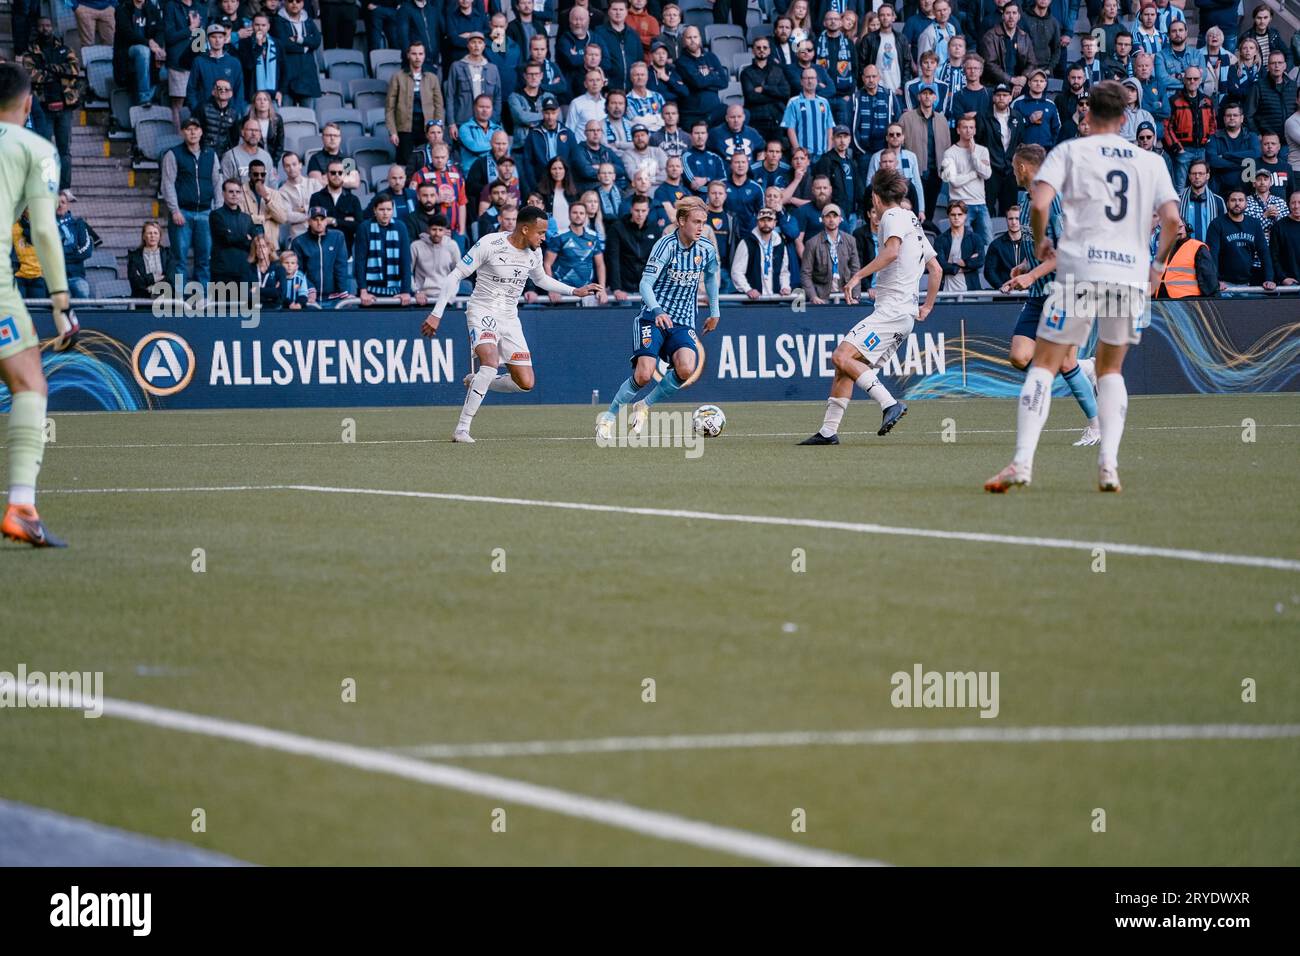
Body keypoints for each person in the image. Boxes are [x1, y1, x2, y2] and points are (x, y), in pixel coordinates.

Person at [985, 80, 1181, 495]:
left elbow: (1039, 204)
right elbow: (1172, 222)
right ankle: (1108, 465)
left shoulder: (1070, 152)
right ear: (1127, 117)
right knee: (1111, 370)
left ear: (1087, 115)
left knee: (1042, 365)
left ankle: (1022, 462)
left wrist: (1040, 241)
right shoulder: (1150, 162)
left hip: (1078, 271)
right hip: (1127, 272)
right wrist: (1158, 266)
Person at [421, 205, 602, 442]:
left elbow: (541, 279)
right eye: (540, 233)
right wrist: (437, 313)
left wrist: (574, 291)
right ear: (525, 229)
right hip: (482, 311)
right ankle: (462, 428)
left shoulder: (534, 253)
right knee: (490, 361)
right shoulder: (490, 244)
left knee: (525, 383)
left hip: (509, 317)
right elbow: (455, 275)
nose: (543, 238)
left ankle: (477, 380)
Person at [799, 169, 941, 446]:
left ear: (875, 198)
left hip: (892, 311)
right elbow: (935, 269)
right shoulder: (912, 220)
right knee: (847, 367)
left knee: (841, 356)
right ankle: (828, 432)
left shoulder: (890, 217)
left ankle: (890, 404)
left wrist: (857, 276)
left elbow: (891, 252)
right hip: (903, 314)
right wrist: (927, 306)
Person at [0, 63, 78, 545]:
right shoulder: (35, 148)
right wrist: (60, 300)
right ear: (28, 103)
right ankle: (21, 507)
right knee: (29, 383)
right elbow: (45, 230)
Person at [596, 196, 720, 440]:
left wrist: (715, 311)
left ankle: (644, 406)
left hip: (683, 321)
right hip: (653, 318)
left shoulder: (706, 249)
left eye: (703, 223)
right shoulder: (666, 245)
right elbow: (645, 284)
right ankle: (609, 417)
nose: (700, 227)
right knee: (644, 374)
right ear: (681, 221)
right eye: (696, 222)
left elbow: (713, 276)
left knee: (685, 368)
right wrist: (657, 310)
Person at [21, 18, 81, 197]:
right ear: (37, 28)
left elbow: (74, 69)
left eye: (47, 25)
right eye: (41, 26)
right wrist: (58, 72)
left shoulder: (64, 49)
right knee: (44, 149)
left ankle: (65, 188)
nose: (44, 29)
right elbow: (31, 75)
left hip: (65, 106)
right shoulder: (30, 53)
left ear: (53, 27)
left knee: (64, 151)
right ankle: (45, 186)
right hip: (42, 108)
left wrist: (49, 69)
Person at [161, 117, 222, 286]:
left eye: (196, 128)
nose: (193, 132)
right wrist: (175, 210)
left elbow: (217, 183)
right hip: (183, 213)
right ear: (182, 132)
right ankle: (179, 300)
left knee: (204, 260)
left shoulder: (211, 155)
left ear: (202, 132)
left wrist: (217, 211)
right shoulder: (173, 154)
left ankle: (201, 299)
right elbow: (167, 184)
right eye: (188, 129)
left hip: (206, 213)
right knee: (179, 259)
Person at [386, 41, 445, 167]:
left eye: (420, 54)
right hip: (405, 127)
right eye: (414, 54)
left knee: (427, 162)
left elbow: (439, 105)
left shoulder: (432, 78)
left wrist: (438, 128)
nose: (417, 57)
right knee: (406, 164)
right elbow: (390, 108)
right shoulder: (398, 77)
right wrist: (393, 132)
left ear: (424, 55)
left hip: (427, 127)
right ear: (408, 55)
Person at [940, 115, 993, 247]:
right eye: (965, 127)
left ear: (975, 130)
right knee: (962, 244)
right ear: (958, 130)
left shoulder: (982, 151)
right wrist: (975, 173)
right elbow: (954, 182)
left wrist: (974, 156)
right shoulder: (949, 153)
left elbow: (987, 174)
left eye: (971, 127)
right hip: (960, 204)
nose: (968, 131)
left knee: (988, 242)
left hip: (981, 204)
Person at [1207, 187, 1274, 289]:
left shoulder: (1254, 224)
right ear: (1227, 203)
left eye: (1241, 200)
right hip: (1223, 285)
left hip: (1248, 283)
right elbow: (1212, 254)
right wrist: (1214, 280)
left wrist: (1269, 279)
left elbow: (1264, 252)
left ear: (1246, 203)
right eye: (1233, 200)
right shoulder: (1217, 224)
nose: (1237, 203)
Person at [353, 196, 413, 305]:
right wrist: (363, 290)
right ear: (374, 210)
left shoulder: (400, 227)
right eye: (381, 209)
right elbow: (360, 262)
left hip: (396, 293)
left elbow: (405, 260)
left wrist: (405, 291)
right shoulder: (364, 227)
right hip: (371, 293)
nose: (385, 213)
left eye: (389, 210)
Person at [544, 203, 607, 301]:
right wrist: (552, 290)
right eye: (575, 212)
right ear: (569, 215)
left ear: (585, 215)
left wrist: (601, 289)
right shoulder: (559, 236)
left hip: (587, 293)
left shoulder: (593, 236)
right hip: (564, 293)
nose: (578, 215)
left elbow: (600, 265)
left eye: (581, 213)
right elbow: (547, 264)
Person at [291, 206, 353, 304]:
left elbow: (341, 266)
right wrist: (310, 288)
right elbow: (297, 270)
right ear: (309, 221)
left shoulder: (337, 237)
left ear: (326, 221)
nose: (319, 223)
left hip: (333, 298)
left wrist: (343, 291)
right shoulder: (299, 242)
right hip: (309, 298)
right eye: (315, 219)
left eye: (322, 219)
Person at [800, 202, 859, 304]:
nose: (832, 220)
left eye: (835, 216)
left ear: (840, 219)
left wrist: (856, 296)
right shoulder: (812, 243)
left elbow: (855, 270)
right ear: (822, 219)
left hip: (845, 296)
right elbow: (805, 273)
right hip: (821, 297)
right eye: (828, 216)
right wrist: (813, 296)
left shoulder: (850, 240)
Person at [605, 195, 661, 300]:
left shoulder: (654, 229)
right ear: (631, 209)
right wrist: (616, 288)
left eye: (643, 211)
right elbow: (613, 259)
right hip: (624, 288)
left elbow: (657, 260)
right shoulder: (617, 228)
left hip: (647, 287)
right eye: (637, 210)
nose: (640, 214)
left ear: (648, 211)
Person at [731, 206, 792, 299]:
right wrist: (748, 289)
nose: (766, 223)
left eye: (769, 220)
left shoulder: (780, 244)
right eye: (762, 220)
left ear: (775, 223)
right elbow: (737, 271)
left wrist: (785, 287)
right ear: (757, 222)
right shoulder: (747, 242)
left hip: (775, 298)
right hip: (753, 300)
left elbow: (784, 272)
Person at [113, 0, 165, 107]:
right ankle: (144, 96)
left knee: (166, 55)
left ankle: (155, 95)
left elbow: (160, 30)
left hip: (150, 47)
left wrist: (157, 46)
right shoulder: (122, 9)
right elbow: (127, 33)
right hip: (128, 50)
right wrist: (149, 43)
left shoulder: (152, 8)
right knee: (143, 51)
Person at [272, 0, 321, 107]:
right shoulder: (278, 21)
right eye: (290, 1)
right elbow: (283, 44)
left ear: (303, 3)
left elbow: (317, 41)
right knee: (287, 118)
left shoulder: (308, 20)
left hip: (307, 76)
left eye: (298, 1)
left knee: (308, 117)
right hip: (287, 75)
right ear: (285, 3)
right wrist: (305, 48)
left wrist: (300, 40)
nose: (294, 4)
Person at [1154, 219, 1217, 298]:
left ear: (1186, 228)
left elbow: (1208, 280)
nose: (1178, 231)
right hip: (1161, 301)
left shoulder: (1197, 247)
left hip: (1187, 301)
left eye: (1180, 227)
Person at [209, 178, 255, 284]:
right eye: (231, 191)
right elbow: (226, 239)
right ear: (223, 193)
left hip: (245, 271)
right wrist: (245, 237)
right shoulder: (216, 215)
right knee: (221, 301)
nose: (234, 194)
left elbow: (253, 242)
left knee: (251, 300)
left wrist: (234, 237)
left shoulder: (247, 218)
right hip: (222, 272)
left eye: (237, 192)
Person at [935, 200, 984, 291]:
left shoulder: (975, 238)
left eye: (960, 214)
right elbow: (940, 264)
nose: (956, 217)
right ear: (948, 216)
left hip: (971, 290)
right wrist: (963, 266)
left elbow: (980, 261)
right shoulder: (940, 240)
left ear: (965, 216)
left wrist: (963, 262)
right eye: (953, 215)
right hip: (946, 290)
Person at [410, 214, 459, 305]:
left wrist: (451, 295)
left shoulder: (452, 245)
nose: (437, 233)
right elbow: (408, 271)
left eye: (440, 230)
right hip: (422, 298)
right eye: (434, 229)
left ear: (445, 231)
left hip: (445, 299)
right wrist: (416, 292)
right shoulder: (416, 246)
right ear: (428, 229)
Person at [982, 203, 1032, 289]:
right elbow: (989, 271)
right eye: (1010, 219)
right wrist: (1001, 286)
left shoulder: (1031, 243)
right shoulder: (996, 245)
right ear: (1006, 220)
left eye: (1017, 218)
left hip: (1028, 295)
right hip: (1005, 295)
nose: (1014, 222)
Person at [56, 192, 94, 299]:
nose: (60, 205)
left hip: (77, 277)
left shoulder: (78, 224)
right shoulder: (47, 225)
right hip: (56, 279)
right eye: (57, 202)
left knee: (83, 290)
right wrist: (73, 251)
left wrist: (61, 256)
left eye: (63, 202)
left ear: (68, 205)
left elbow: (87, 251)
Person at [128, 219, 179, 297]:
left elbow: (171, 278)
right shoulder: (134, 257)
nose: (152, 236)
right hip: (142, 299)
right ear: (144, 236)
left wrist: (153, 287)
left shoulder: (168, 255)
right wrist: (154, 278)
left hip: (165, 299)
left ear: (159, 236)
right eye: (149, 233)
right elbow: (135, 282)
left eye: (155, 233)